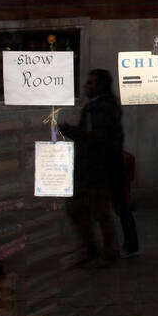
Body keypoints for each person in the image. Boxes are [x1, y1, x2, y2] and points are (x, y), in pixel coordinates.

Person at [60, 69, 124, 264]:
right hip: (91, 168)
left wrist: (72, 131)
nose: (86, 87)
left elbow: (97, 138)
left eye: (91, 83)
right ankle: (94, 249)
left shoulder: (102, 108)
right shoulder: (95, 107)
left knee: (99, 211)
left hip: (98, 169)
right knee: (81, 208)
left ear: (101, 86)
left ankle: (106, 252)